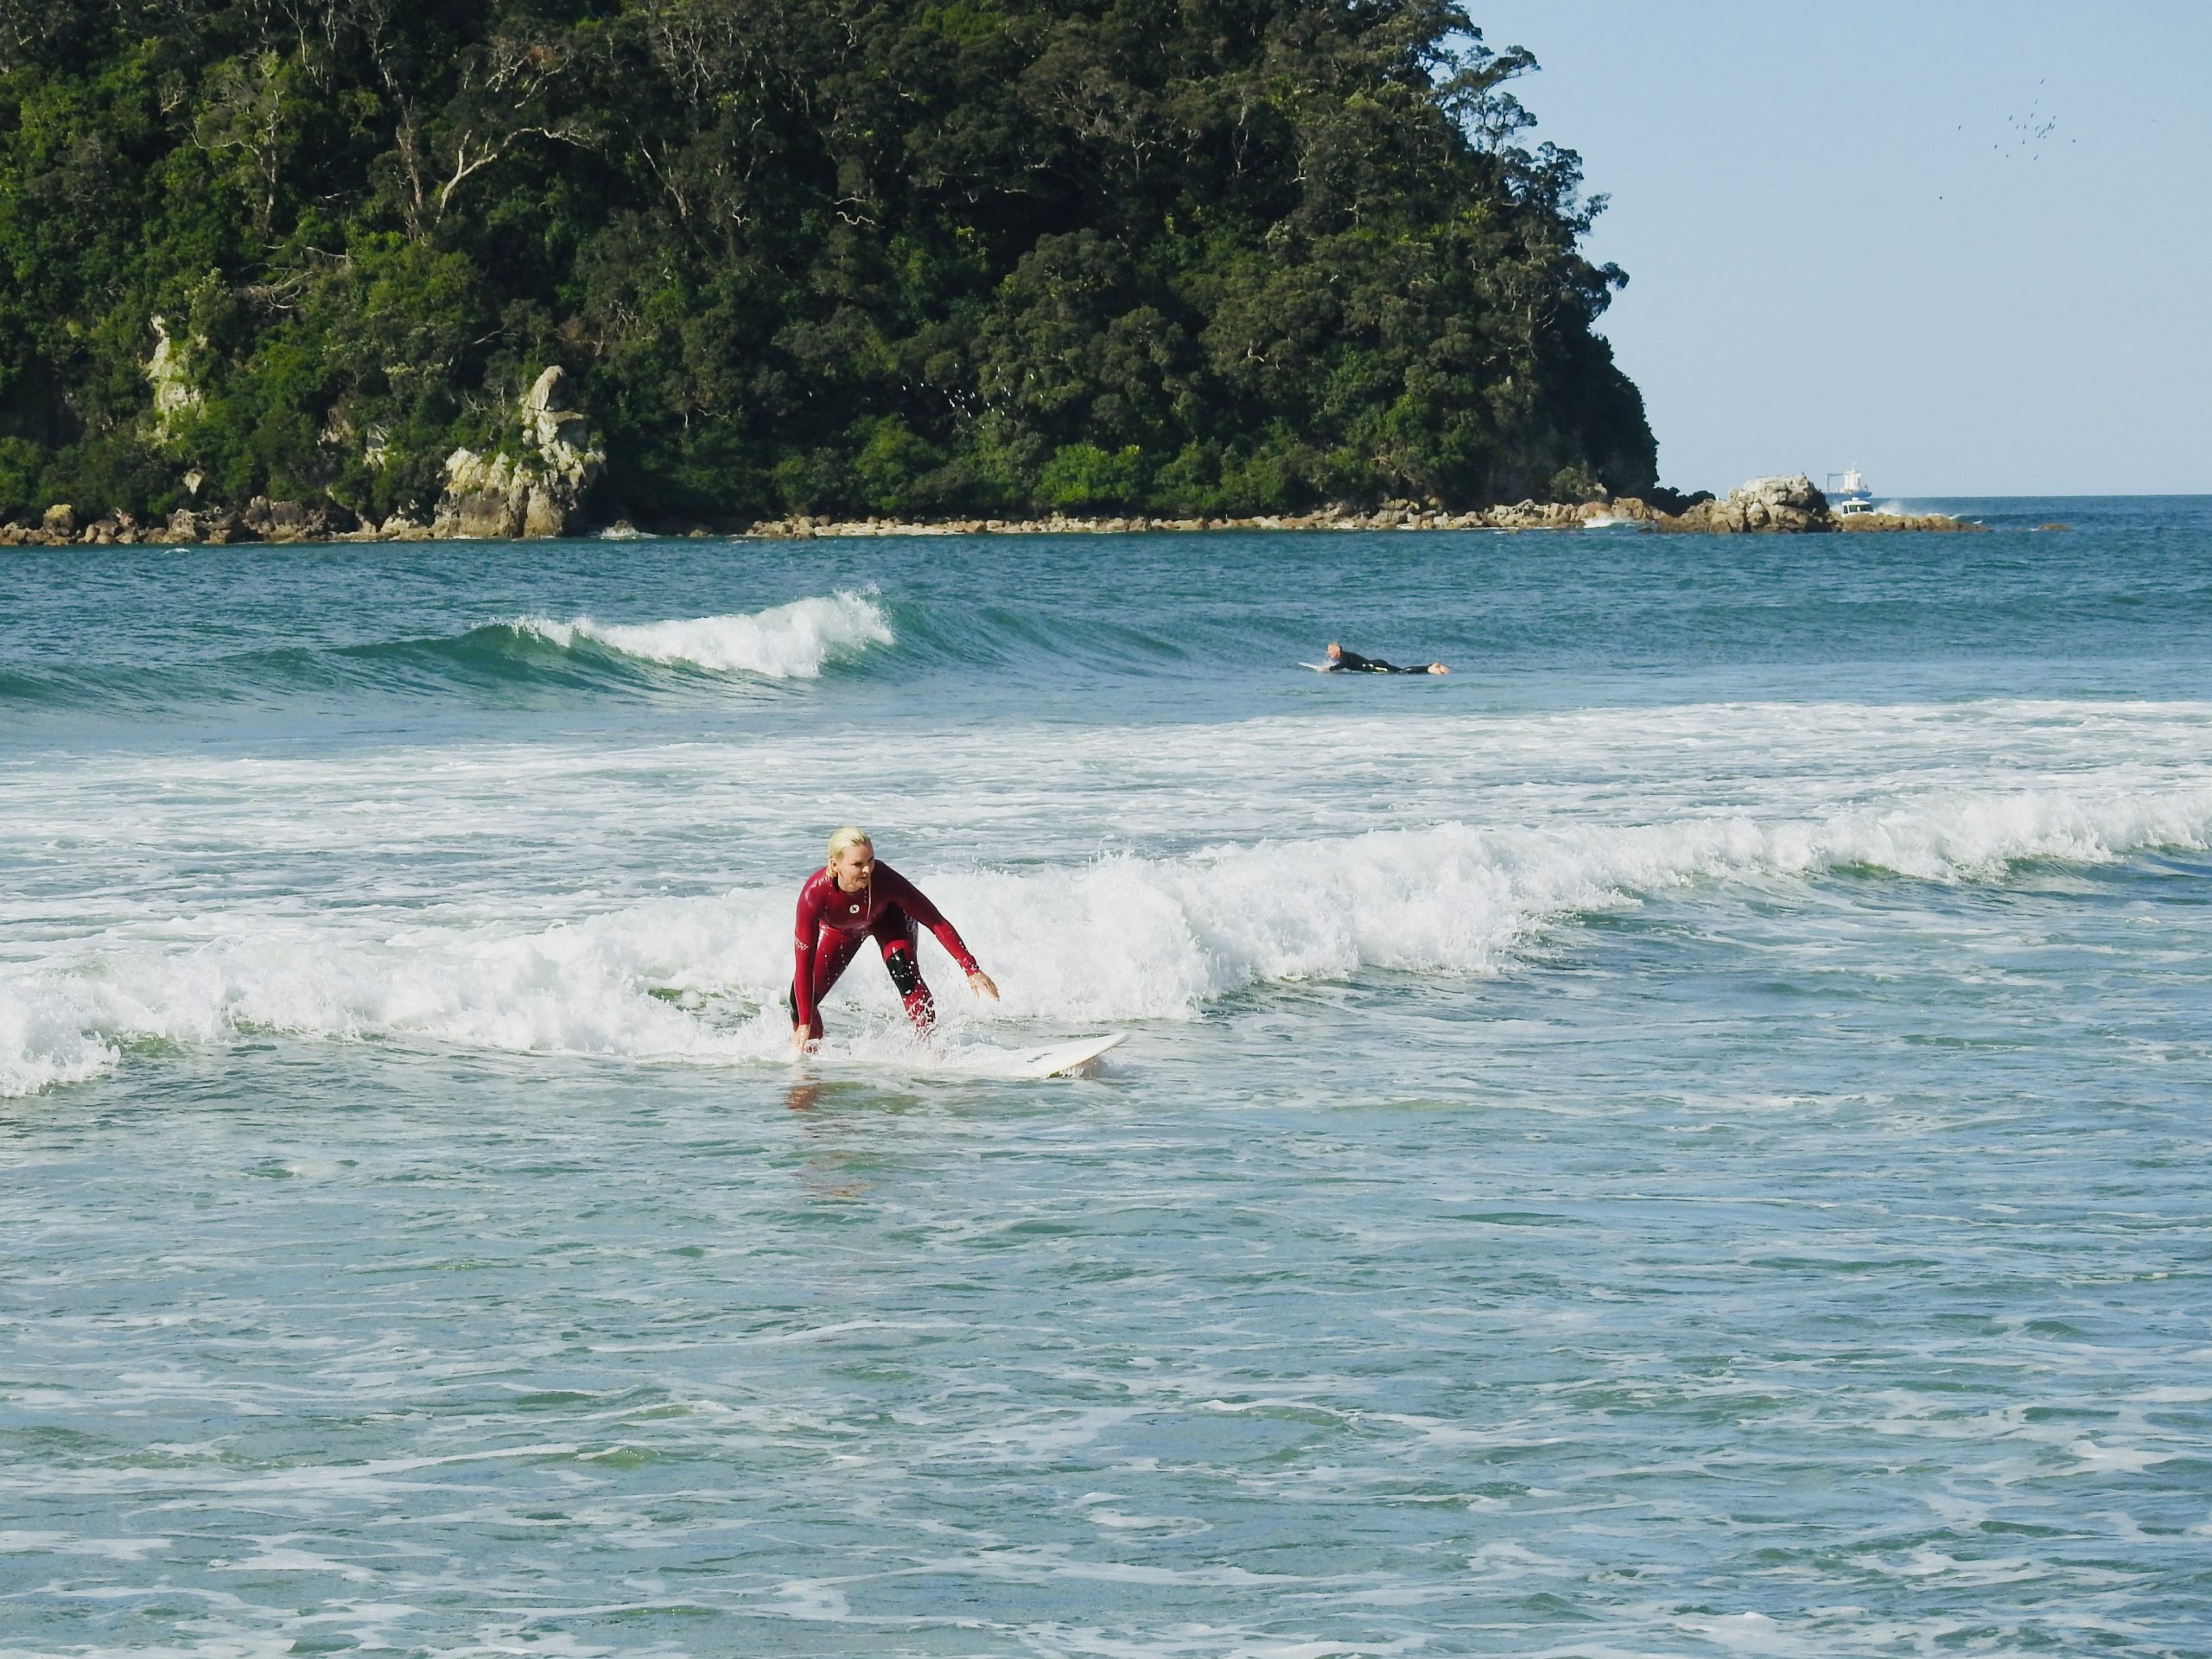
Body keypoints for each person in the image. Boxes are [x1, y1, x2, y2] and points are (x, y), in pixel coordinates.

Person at [788, 826, 999, 1052]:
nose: (867, 870)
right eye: (858, 864)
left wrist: (970, 967)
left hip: (890, 921)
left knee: (904, 972)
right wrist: (804, 1025)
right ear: (834, 865)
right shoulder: (813, 896)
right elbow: (804, 967)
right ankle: (810, 1057)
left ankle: (929, 1049)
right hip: (841, 932)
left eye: (871, 860)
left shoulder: (885, 880)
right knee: (799, 1005)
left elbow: (935, 920)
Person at [1323, 641, 1448, 675]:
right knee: (1400, 671)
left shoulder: (1344, 656)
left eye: (1330, 650)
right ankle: (1428, 668)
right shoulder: (1344, 656)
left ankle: (1428, 668)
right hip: (1375, 664)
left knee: (1400, 673)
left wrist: (1330, 669)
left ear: (1337, 650)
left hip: (1375, 666)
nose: (1328, 653)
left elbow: (1344, 664)